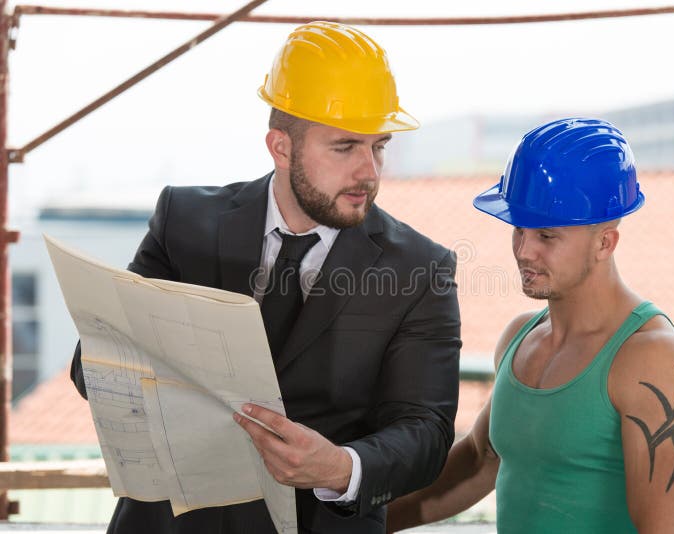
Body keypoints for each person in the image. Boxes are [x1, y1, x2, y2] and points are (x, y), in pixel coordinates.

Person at [69, 21, 461, 534]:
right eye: (345, 147)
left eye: (379, 146)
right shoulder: (183, 221)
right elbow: (95, 363)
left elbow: (425, 433)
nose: (369, 171)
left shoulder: (420, 270)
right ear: (281, 147)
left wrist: (341, 467)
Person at [387, 118, 674, 533]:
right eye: (519, 229)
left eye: (546, 235)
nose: (524, 251)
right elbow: (480, 461)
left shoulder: (658, 362)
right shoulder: (519, 338)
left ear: (605, 242)